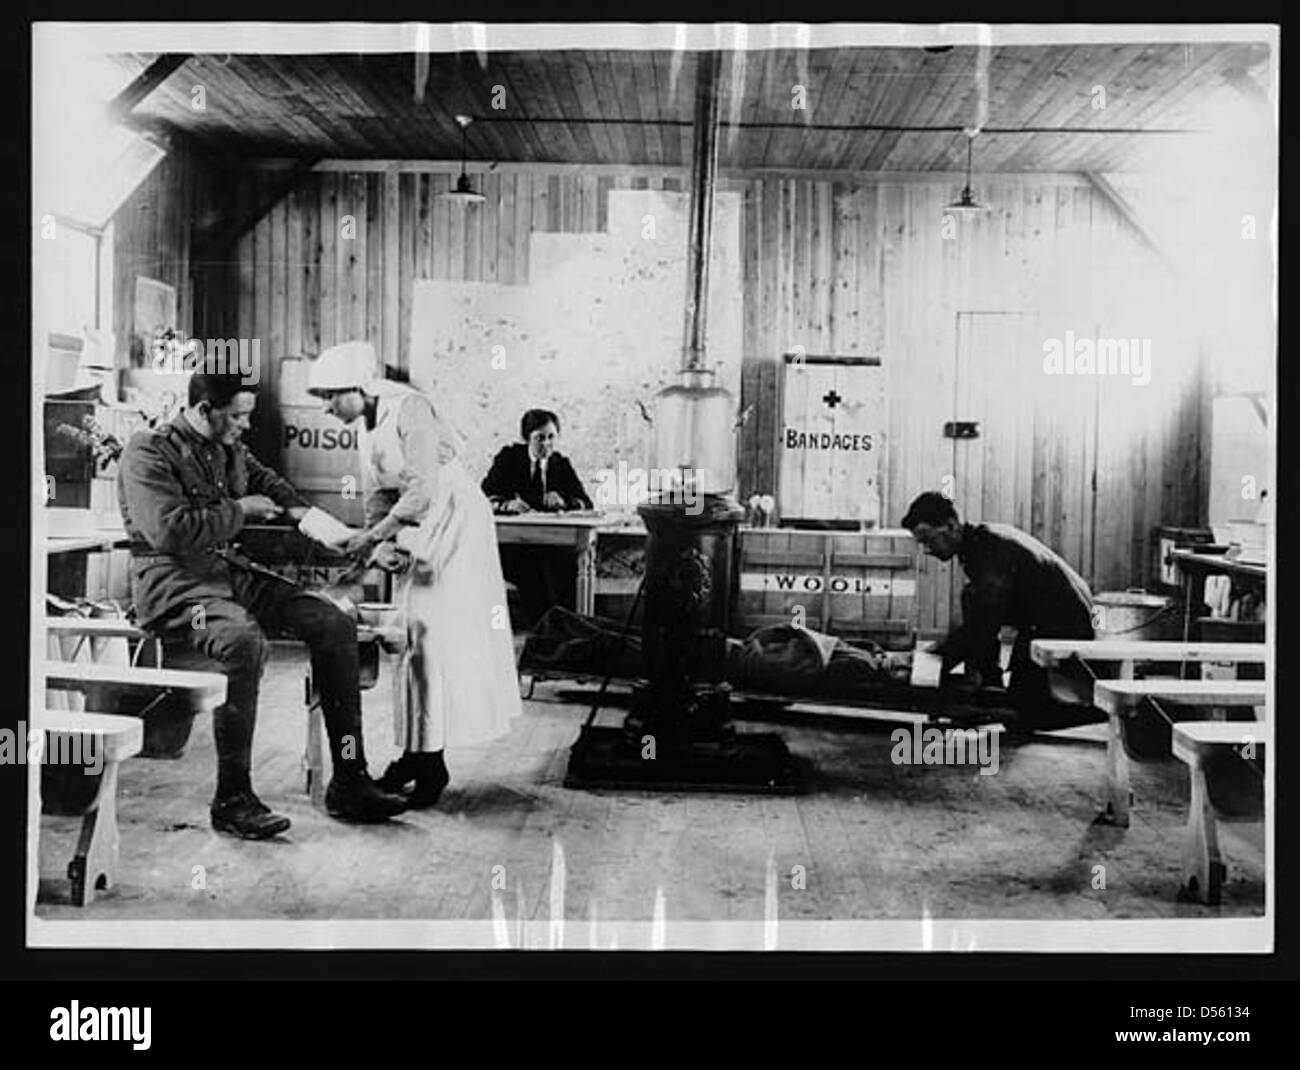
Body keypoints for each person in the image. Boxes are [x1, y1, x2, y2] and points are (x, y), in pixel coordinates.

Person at [118, 368, 408, 839]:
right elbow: (168, 530)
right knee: (243, 641)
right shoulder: (148, 450)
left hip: (226, 575)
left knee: (333, 621)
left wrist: (348, 539)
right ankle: (233, 798)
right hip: (175, 584)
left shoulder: (229, 449)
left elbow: (280, 494)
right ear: (204, 410)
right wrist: (241, 511)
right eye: (237, 417)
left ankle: (351, 779)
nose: (245, 426)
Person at [308, 342, 521, 806]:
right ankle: (419, 754)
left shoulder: (411, 408)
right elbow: (377, 497)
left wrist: (374, 537)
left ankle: (428, 761)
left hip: (454, 520)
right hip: (416, 524)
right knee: (411, 637)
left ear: (357, 387)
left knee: (433, 635)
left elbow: (423, 488)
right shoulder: (364, 427)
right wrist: (378, 541)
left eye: (329, 395)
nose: (325, 407)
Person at [899, 491, 1102, 731]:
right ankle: (990, 684)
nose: (926, 550)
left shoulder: (989, 550)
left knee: (1026, 714)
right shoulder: (981, 540)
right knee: (973, 598)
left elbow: (982, 626)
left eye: (928, 540)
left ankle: (1107, 713)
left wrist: (934, 658)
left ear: (951, 526)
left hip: (1064, 623)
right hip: (1052, 617)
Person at [481, 409, 593, 626]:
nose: (546, 444)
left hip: (550, 546)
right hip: (514, 547)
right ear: (526, 438)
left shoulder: (560, 464)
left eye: (551, 437)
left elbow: (586, 503)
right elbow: (484, 495)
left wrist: (565, 502)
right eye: (539, 438)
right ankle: (549, 631)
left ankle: (568, 630)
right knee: (533, 570)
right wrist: (505, 504)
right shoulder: (509, 458)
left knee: (566, 568)